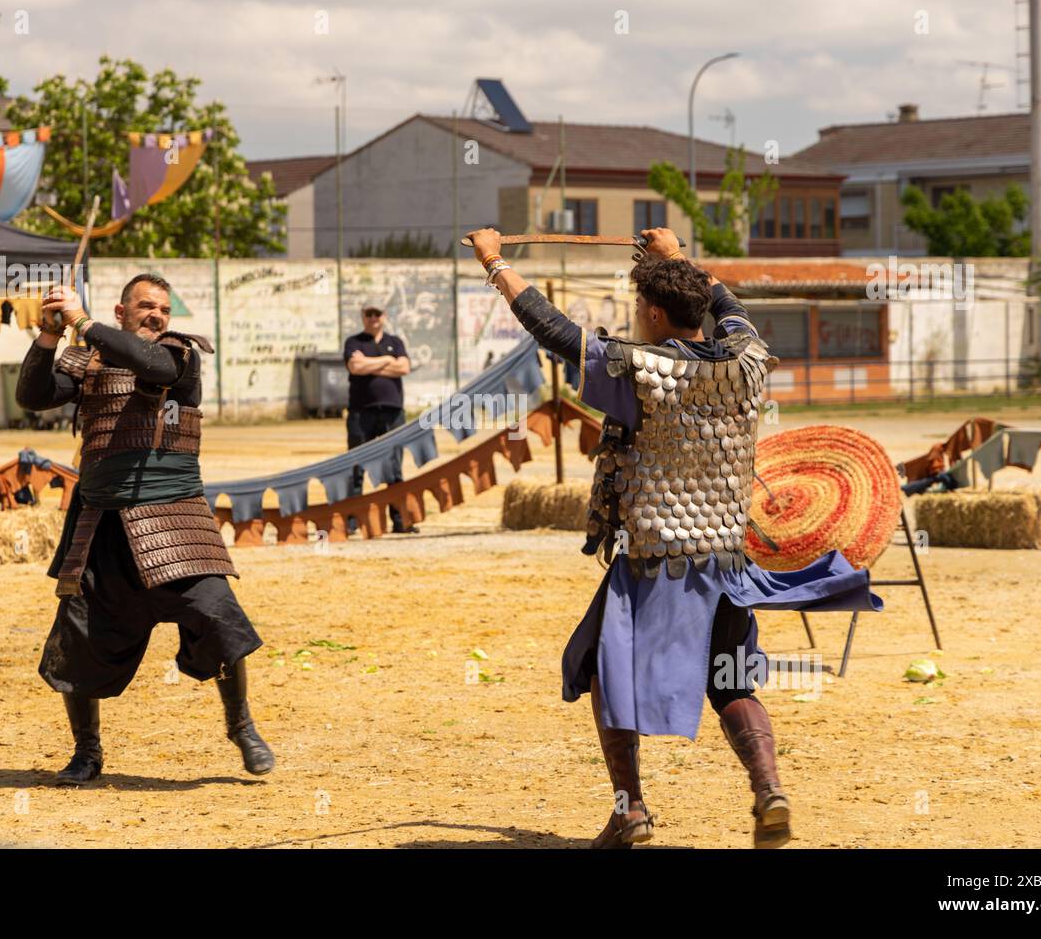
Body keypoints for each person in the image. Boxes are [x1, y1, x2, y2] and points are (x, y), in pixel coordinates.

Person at [466, 226, 884, 848]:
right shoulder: (747, 362)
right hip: (727, 562)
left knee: (605, 673)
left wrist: (496, 263)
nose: (636, 317)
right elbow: (732, 310)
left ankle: (629, 807)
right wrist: (681, 260)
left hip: (655, 565)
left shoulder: (639, 371)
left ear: (656, 313)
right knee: (732, 682)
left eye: (640, 307)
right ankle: (768, 788)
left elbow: (555, 332)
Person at [15, 275, 274, 786]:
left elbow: (148, 363)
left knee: (215, 615)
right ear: (121, 311)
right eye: (145, 307)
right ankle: (87, 753)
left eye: (163, 309)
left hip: (175, 519)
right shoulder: (87, 359)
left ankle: (240, 724)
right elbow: (33, 395)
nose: (156, 315)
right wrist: (49, 335)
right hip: (102, 523)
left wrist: (81, 322)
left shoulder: (179, 355)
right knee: (79, 638)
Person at [342, 303, 416, 533]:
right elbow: (355, 367)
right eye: (368, 314)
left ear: (384, 316)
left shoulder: (396, 341)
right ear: (363, 317)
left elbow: (404, 367)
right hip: (361, 413)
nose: (373, 318)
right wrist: (387, 360)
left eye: (377, 314)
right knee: (356, 468)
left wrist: (371, 363)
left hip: (392, 412)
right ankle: (352, 523)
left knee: (393, 467)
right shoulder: (354, 342)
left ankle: (400, 521)